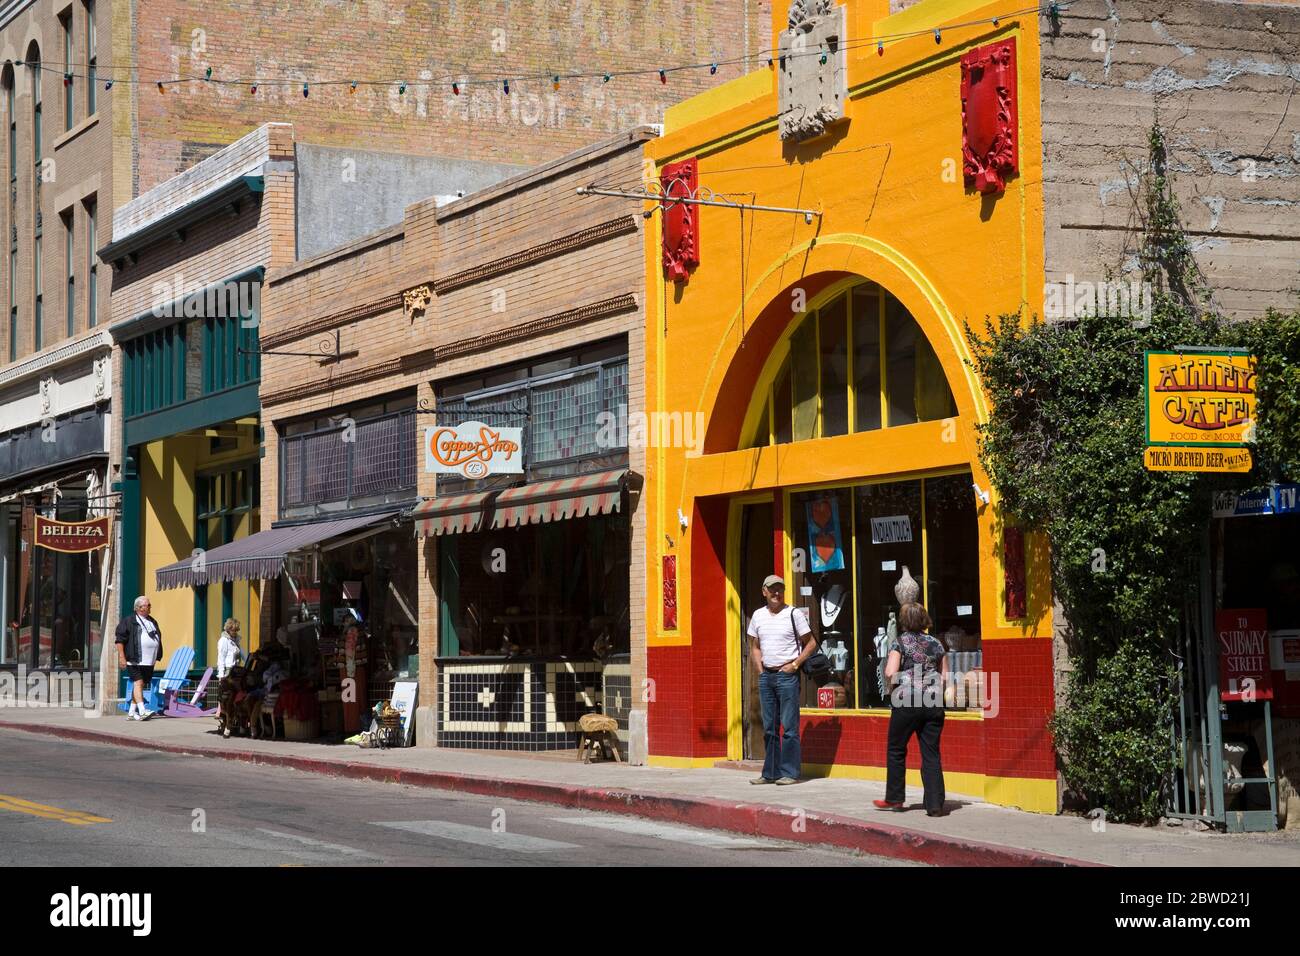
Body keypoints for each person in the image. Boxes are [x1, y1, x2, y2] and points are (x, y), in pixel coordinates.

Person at [874, 601, 949, 816]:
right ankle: (934, 804)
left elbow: (889, 672)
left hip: (906, 702)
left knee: (897, 750)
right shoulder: (936, 643)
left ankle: (895, 799)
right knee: (931, 753)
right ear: (924, 619)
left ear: (904, 621)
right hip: (932, 703)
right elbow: (945, 677)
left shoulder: (900, 643)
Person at [746, 574, 816, 785]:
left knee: (790, 727)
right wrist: (760, 671)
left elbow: (811, 643)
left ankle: (789, 773)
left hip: (787, 677)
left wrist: (794, 665)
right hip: (767, 676)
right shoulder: (758, 616)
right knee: (769, 728)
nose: (777, 593)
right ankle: (770, 773)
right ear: (764, 591)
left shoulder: (793, 614)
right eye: (772, 589)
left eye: (780, 589)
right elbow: (755, 647)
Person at [115, 595, 163, 721]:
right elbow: (119, 640)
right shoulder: (129, 621)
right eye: (148, 605)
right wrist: (122, 657)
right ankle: (142, 711)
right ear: (139, 608)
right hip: (134, 659)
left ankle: (131, 712)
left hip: (149, 661)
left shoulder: (152, 621)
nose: (150, 607)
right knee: (138, 682)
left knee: (140, 685)